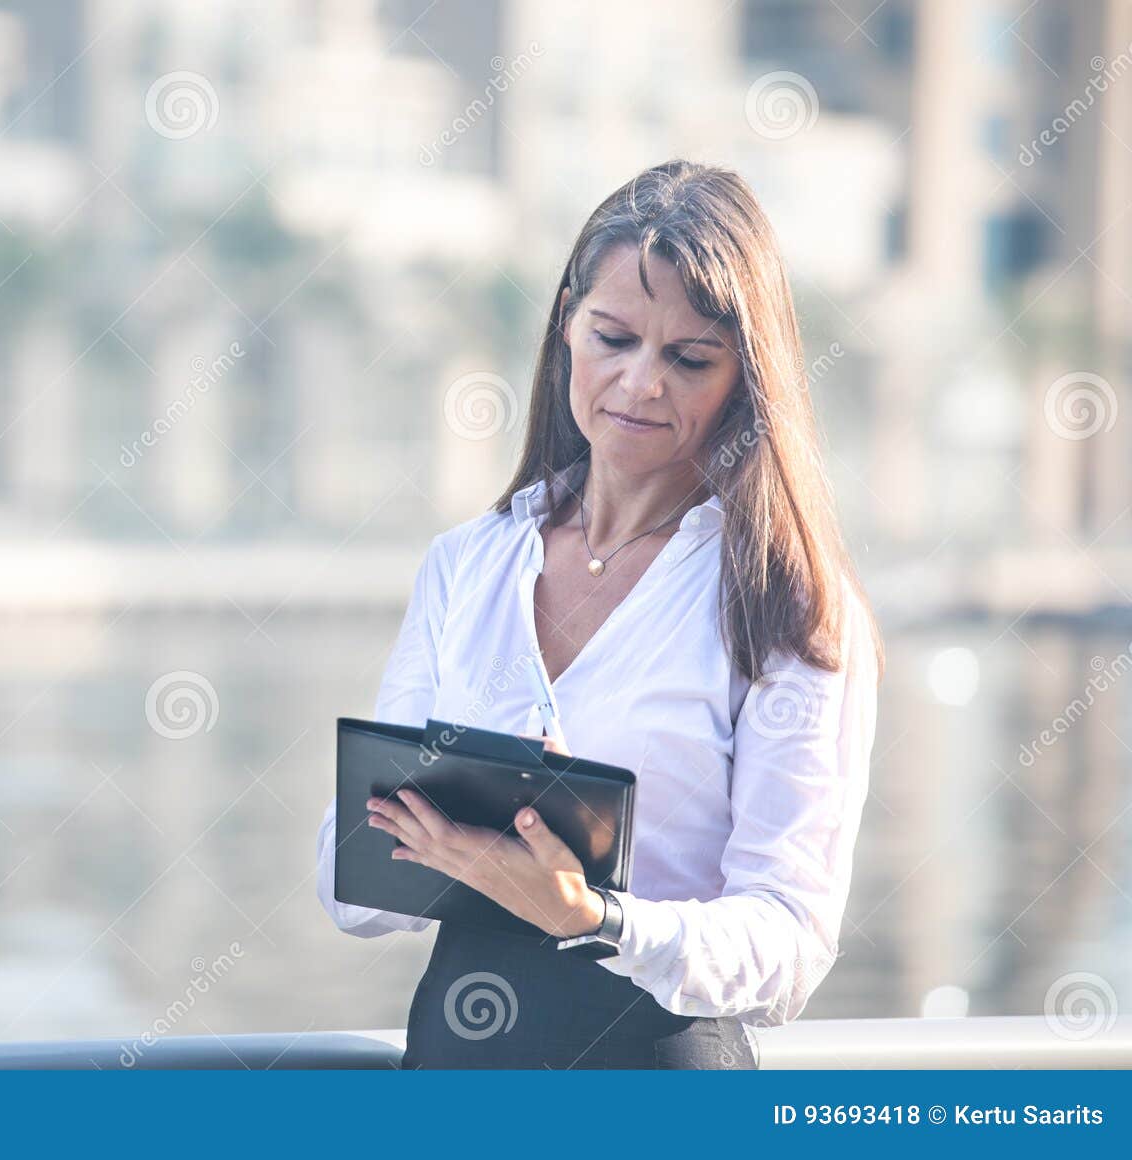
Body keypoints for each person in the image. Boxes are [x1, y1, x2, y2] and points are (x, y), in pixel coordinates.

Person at [315, 159, 884, 1069]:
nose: (642, 383)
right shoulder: (466, 565)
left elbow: (790, 948)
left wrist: (597, 917)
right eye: (613, 337)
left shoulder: (789, 605)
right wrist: (444, 845)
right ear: (564, 328)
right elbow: (347, 895)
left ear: (747, 378)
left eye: (689, 359)